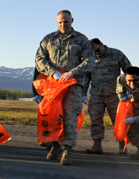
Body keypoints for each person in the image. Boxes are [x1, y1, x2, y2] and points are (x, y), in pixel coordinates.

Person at [34, 10, 95, 165]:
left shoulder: (81, 39)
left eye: (66, 22)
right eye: (60, 22)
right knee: (52, 115)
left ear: (72, 20)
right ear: (56, 22)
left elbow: (89, 60)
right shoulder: (48, 39)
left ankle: (67, 149)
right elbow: (39, 59)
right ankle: (55, 145)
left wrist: (73, 73)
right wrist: (52, 71)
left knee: (69, 116)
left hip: (73, 85)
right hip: (53, 85)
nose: (63, 25)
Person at [85, 38, 132, 155]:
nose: (97, 53)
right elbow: (86, 77)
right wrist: (82, 94)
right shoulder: (89, 58)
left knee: (118, 120)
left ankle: (122, 146)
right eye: (93, 52)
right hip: (96, 94)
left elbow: (129, 71)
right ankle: (97, 145)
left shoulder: (116, 54)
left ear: (102, 44)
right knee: (95, 119)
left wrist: (130, 91)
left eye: (98, 50)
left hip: (115, 94)